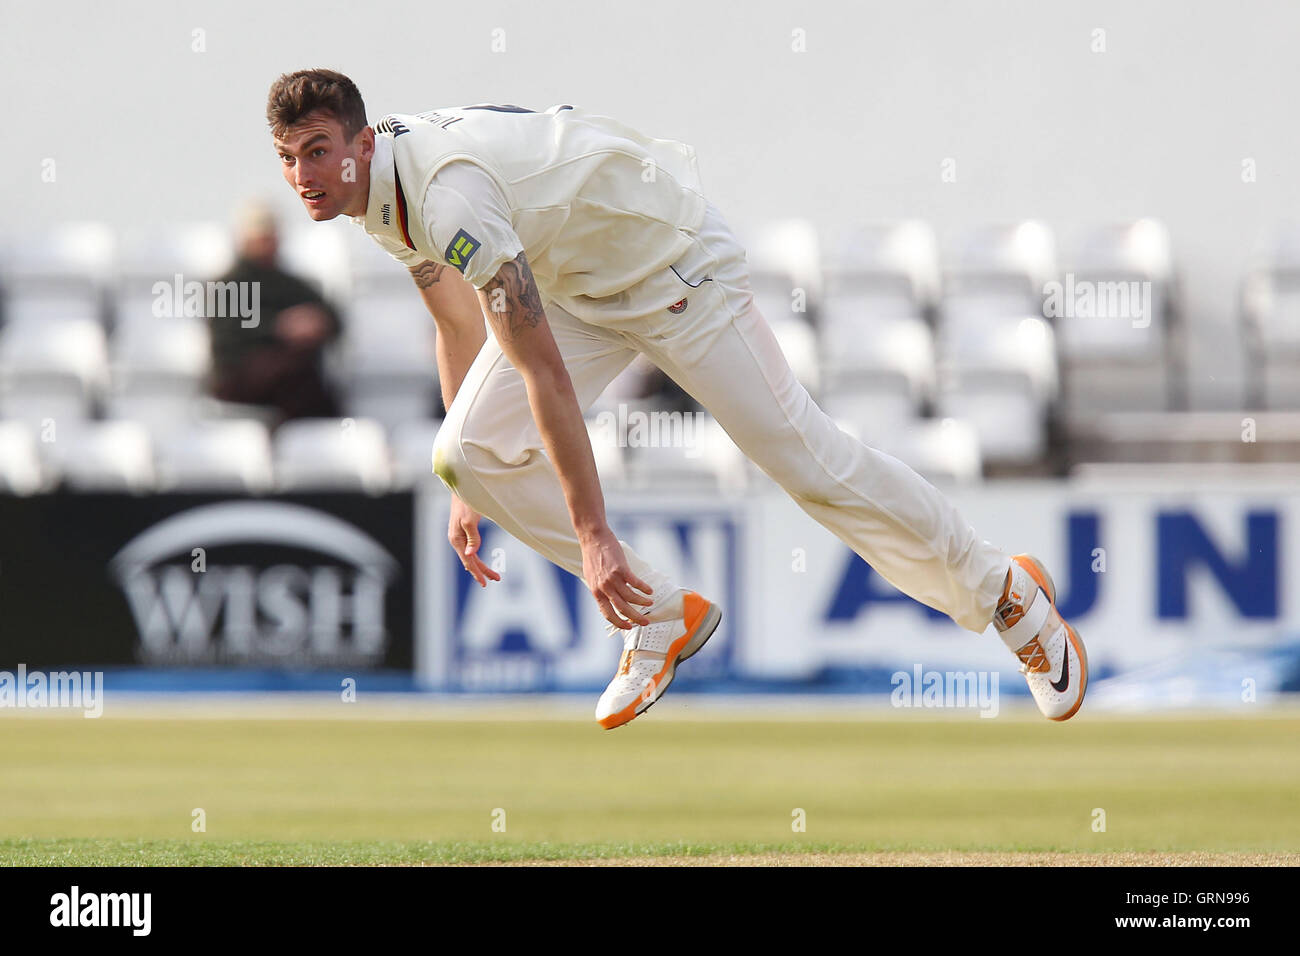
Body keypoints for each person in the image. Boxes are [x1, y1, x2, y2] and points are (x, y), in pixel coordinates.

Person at [266, 68, 1088, 728]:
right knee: (462, 452)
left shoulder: (446, 197)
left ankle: (1008, 598)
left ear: (361, 142)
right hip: (582, 283)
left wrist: (594, 538)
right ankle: (663, 616)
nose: (303, 175)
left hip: (673, 269)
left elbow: (544, 375)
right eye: (288, 157)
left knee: (808, 464)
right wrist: (468, 483)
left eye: (317, 150)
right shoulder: (366, 195)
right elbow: (453, 320)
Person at [207, 200, 343, 424]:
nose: (267, 243)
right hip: (241, 379)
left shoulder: (289, 284)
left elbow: (332, 317)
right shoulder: (227, 285)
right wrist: (279, 328)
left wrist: (317, 323)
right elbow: (227, 336)